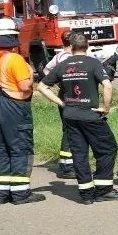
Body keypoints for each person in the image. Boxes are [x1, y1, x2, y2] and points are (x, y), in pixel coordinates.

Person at [37, 32, 118, 205]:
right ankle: (104, 189)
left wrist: (62, 103)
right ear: (87, 46)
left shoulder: (62, 65)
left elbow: (41, 86)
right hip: (90, 115)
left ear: (70, 47)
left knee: (79, 153)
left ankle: (85, 194)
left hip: (70, 115)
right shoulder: (93, 63)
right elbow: (107, 86)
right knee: (107, 148)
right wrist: (106, 108)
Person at [0, 18, 42, 205]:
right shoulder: (14, 59)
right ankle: (20, 193)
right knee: (20, 148)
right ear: (12, 37)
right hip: (15, 105)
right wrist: (32, 75)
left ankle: (1, 193)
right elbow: (24, 86)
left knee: (3, 148)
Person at [42, 33, 76, 178]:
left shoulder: (58, 56)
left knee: (67, 128)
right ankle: (67, 166)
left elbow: (45, 70)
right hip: (73, 94)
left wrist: (57, 82)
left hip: (63, 92)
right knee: (70, 128)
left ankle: (68, 162)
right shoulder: (70, 58)